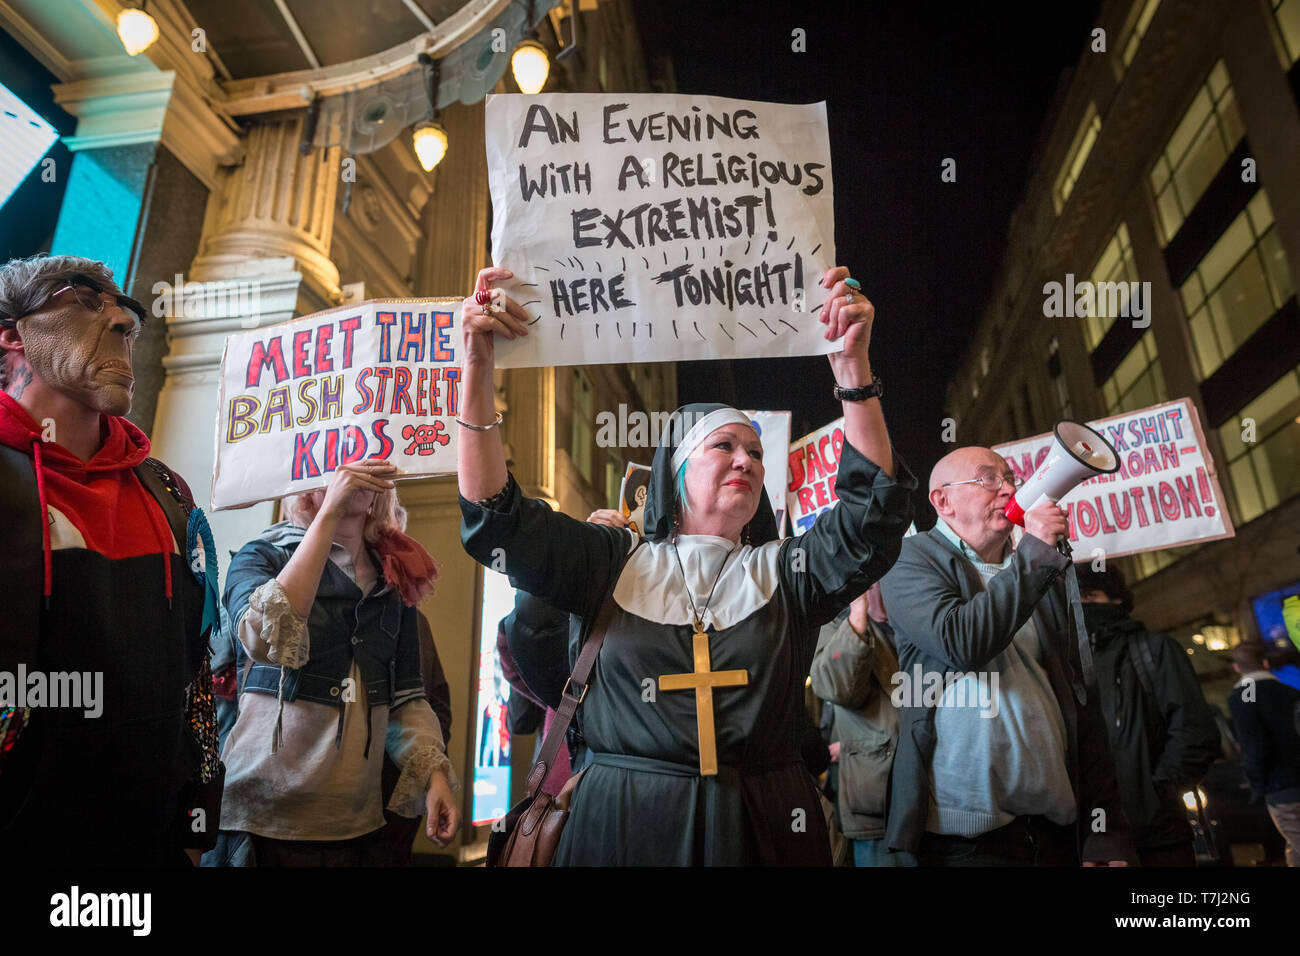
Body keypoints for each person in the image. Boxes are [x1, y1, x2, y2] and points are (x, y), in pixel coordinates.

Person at [457, 265, 914, 865]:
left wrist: (853, 371)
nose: (745, 460)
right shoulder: (610, 560)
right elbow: (498, 519)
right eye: (723, 446)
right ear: (675, 474)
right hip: (619, 829)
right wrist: (478, 368)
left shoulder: (788, 573)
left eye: (754, 451)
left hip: (763, 830)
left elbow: (872, 516)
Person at [0, 255, 223, 866]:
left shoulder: (167, 491)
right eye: (86, 301)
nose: (123, 320)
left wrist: (195, 821)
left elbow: (194, 670)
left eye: (126, 311)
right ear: (14, 335)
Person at [881, 446, 1134, 866]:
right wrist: (1034, 551)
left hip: (1054, 832)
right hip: (967, 841)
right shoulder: (910, 559)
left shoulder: (1038, 571)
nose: (1010, 489)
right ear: (942, 501)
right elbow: (962, 641)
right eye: (987, 479)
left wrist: (1104, 832)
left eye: (1010, 479)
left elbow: (1080, 704)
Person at [207, 463, 458, 865]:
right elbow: (261, 639)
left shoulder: (392, 581)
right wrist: (327, 517)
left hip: (356, 829)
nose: (357, 467)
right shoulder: (262, 555)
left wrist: (435, 776)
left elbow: (407, 700)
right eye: (341, 460)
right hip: (260, 823)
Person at [1076, 564, 1220, 866]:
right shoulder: (1070, 664)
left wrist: (1158, 792)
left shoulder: (1155, 650)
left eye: (1091, 596)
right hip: (1096, 840)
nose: (1084, 607)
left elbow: (1194, 731)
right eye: (1078, 600)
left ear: (1117, 600)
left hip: (1159, 834)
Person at [809, 582, 915, 866]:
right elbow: (834, 686)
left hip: (937, 792)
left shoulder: (917, 614)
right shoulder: (835, 624)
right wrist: (858, 616)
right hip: (879, 802)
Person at [1228, 640, 1300, 866]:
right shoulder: (1290, 692)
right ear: (1266, 663)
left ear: (1237, 668)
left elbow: (1254, 743)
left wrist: (1256, 782)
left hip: (1281, 787)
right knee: (1294, 847)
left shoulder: (1245, 694)